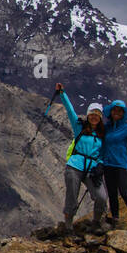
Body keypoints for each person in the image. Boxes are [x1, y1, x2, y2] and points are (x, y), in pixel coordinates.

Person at [53, 83, 109, 232]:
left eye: (97, 115)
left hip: (92, 169)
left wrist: (100, 165)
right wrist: (62, 93)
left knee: (101, 197)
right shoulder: (79, 127)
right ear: (88, 115)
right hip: (74, 166)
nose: (94, 117)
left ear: (100, 117)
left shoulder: (102, 134)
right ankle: (68, 226)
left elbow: (102, 153)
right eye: (92, 114)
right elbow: (70, 111)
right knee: (72, 196)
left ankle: (96, 222)